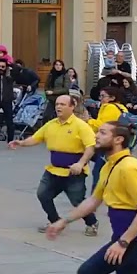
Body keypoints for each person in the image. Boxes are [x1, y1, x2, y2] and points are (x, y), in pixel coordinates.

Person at [44, 121, 137, 274]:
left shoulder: (129, 167)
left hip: (131, 238)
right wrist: (64, 221)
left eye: (102, 132)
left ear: (118, 139)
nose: (96, 136)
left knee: (88, 273)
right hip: (126, 237)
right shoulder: (110, 165)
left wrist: (123, 242)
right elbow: (94, 201)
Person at [10, 94, 99, 236]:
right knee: (43, 194)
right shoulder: (51, 124)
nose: (58, 107)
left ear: (72, 106)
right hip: (53, 170)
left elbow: (91, 146)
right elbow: (36, 138)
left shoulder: (81, 126)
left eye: (63, 104)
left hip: (73, 172)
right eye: (57, 104)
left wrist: (81, 163)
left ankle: (92, 222)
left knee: (77, 200)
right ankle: (54, 221)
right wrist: (21, 143)